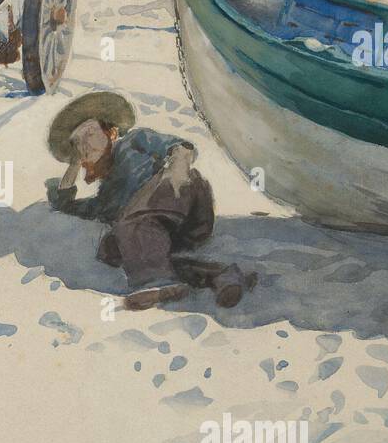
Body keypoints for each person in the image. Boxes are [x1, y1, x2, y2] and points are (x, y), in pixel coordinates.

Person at [44, 91, 255, 311]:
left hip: (186, 200)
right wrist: (76, 162)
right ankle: (224, 277)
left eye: (89, 132)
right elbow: (65, 204)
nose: (85, 143)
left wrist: (176, 172)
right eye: (77, 142)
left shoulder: (133, 141)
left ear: (112, 132)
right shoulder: (106, 196)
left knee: (130, 224)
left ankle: (156, 282)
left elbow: (181, 147)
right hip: (167, 234)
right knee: (119, 247)